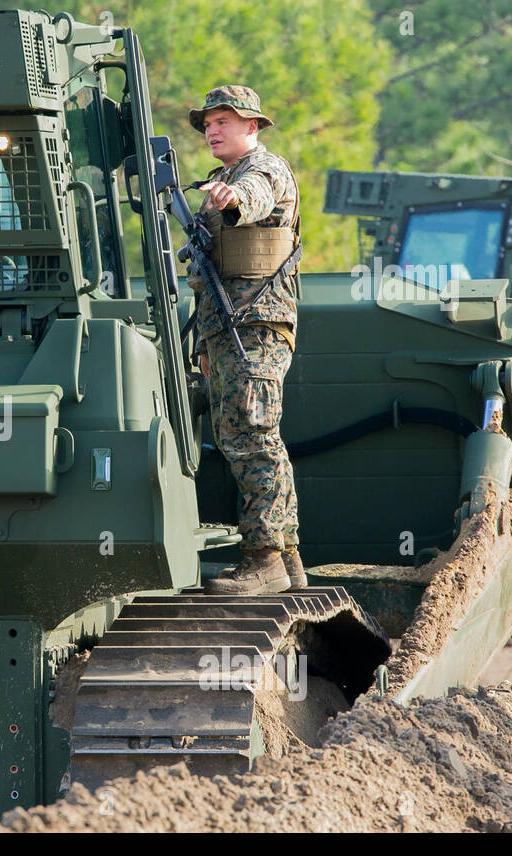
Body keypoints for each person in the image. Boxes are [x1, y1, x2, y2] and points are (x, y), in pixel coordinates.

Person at [185, 85, 304, 595]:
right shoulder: (220, 179)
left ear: (251, 126)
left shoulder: (262, 170)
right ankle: (288, 558)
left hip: (254, 329)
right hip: (228, 330)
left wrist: (234, 200)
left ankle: (263, 559)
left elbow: (253, 198)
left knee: (252, 436)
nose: (213, 130)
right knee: (250, 436)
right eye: (208, 123)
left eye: (224, 121)